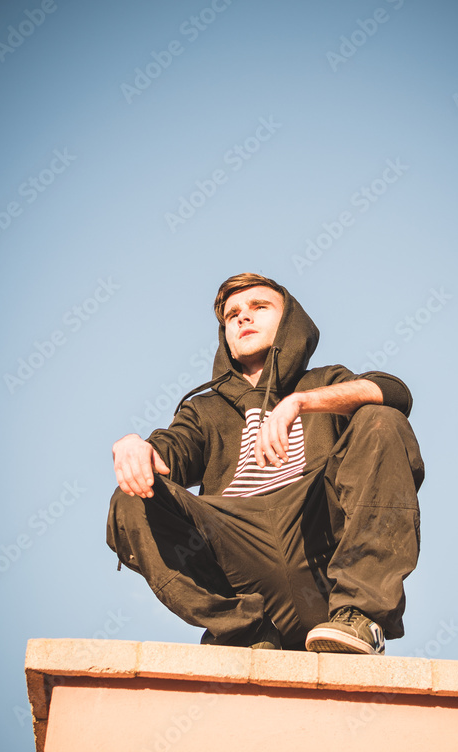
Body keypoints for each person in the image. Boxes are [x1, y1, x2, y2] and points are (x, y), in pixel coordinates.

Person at [107, 272, 424, 655]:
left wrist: (300, 402)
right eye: (232, 314)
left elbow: (393, 392)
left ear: (290, 320)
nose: (243, 317)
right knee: (131, 497)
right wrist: (134, 445)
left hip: (319, 540)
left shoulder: (326, 382)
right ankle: (240, 630)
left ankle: (360, 617)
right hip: (241, 553)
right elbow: (167, 454)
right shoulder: (205, 410)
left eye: (259, 307)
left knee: (382, 419)